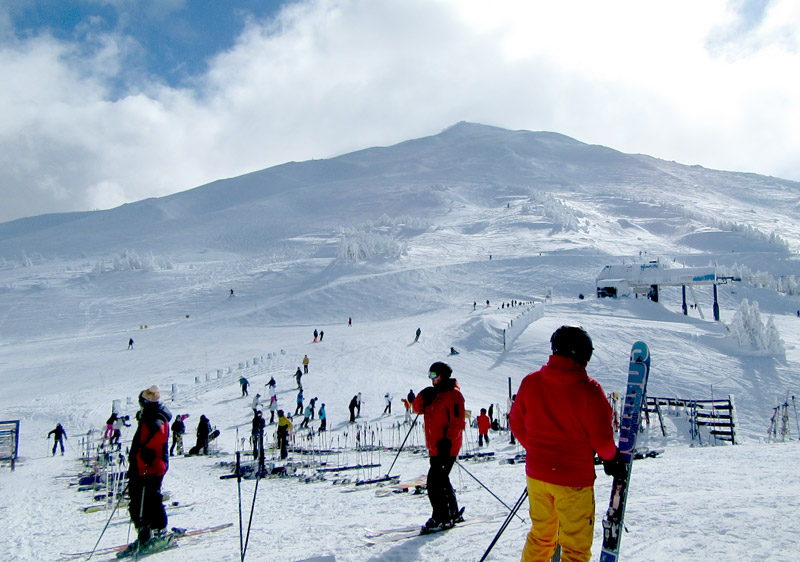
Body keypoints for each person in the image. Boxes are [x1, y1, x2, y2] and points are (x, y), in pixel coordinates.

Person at [509, 326, 623, 562]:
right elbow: (601, 439)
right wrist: (612, 458)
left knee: (541, 536)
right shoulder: (589, 390)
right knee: (574, 547)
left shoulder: (531, 382)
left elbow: (517, 423)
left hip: (538, 476)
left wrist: (539, 451)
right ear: (582, 355)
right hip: (573, 480)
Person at [412, 361, 466, 532]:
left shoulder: (454, 395)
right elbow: (416, 409)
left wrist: (447, 442)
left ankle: (442, 517)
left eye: (435, 375)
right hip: (435, 447)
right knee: (441, 479)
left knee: (434, 483)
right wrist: (422, 395)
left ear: (444, 375)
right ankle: (452, 512)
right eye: (430, 376)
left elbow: (457, 423)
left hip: (446, 447)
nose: (432, 379)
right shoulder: (434, 394)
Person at [126, 385, 172, 550]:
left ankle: (159, 530)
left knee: (150, 499)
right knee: (137, 499)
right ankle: (144, 531)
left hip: (151, 465)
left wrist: (147, 452)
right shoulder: (148, 415)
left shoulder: (156, 417)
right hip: (141, 465)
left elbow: (159, 435)